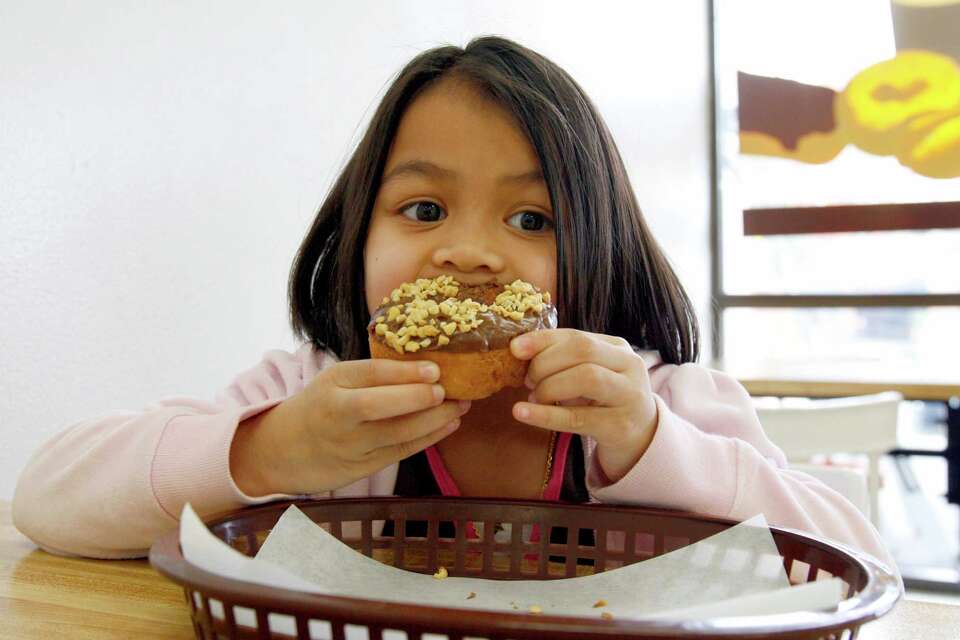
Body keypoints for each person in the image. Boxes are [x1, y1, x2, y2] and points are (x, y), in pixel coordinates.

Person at [13, 36, 898, 578]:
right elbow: (49, 501)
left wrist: (649, 448)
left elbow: (855, 558)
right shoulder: (313, 393)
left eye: (530, 218)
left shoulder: (667, 404)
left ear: (603, 244)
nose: (468, 250)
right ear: (355, 236)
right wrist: (275, 445)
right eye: (424, 209)